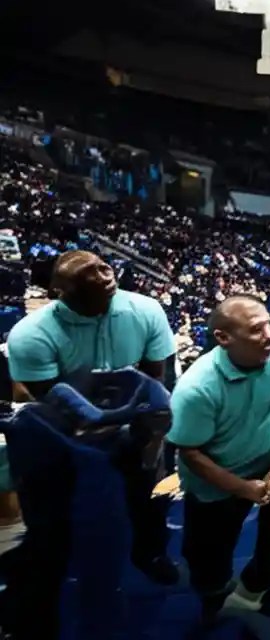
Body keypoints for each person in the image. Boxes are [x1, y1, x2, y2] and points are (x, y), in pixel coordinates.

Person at [5, 250, 178, 584]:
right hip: (61, 430)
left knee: (147, 496)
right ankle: (51, 569)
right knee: (53, 509)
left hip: (129, 421)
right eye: (88, 275)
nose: (103, 275)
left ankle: (150, 553)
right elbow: (53, 403)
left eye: (103, 266)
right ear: (60, 291)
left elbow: (155, 380)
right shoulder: (31, 334)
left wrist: (149, 436)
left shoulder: (146, 310)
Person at [167, 295, 270, 622]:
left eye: (269, 324)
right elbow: (190, 452)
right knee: (206, 554)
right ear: (223, 338)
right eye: (256, 330)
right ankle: (214, 592)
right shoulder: (196, 389)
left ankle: (256, 589)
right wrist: (244, 488)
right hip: (216, 472)